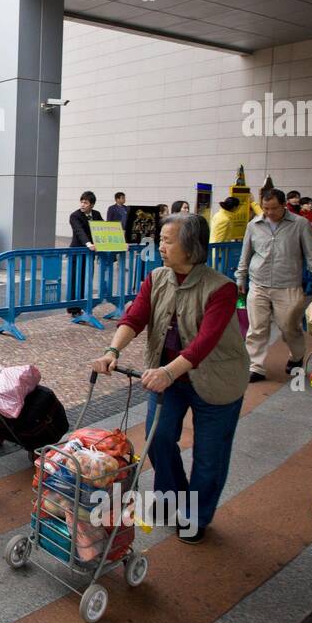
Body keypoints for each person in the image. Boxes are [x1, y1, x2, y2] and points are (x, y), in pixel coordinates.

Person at [91, 213, 247, 542]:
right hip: (169, 380)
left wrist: (167, 371)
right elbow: (134, 317)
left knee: (209, 455)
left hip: (216, 382)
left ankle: (196, 515)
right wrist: (112, 352)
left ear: (191, 247)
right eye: (160, 239)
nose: (160, 246)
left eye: (167, 240)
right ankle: (172, 498)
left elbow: (205, 342)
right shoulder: (157, 278)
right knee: (158, 439)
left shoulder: (221, 288)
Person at [235, 188, 312, 383]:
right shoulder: (254, 225)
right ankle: (255, 366)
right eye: (265, 208)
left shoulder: (300, 224)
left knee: (289, 327)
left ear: (284, 205)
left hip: (288, 285)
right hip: (258, 283)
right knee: (257, 327)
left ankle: (296, 356)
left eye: (273, 208)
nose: (269, 212)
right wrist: (240, 278)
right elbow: (246, 254)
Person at [68, 192, 104, 316]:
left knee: (86, 278)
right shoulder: (75, 215)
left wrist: (119, 243)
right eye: (81, 201)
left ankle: (83, 304)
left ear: (92, 205)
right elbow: (79, 231)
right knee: (75, 279)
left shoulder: (96, 214)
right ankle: (74, 309)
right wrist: (88, 244)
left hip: (90, 254)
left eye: (86, 202)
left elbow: (103, 229)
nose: (83, 204)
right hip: (77, 251)